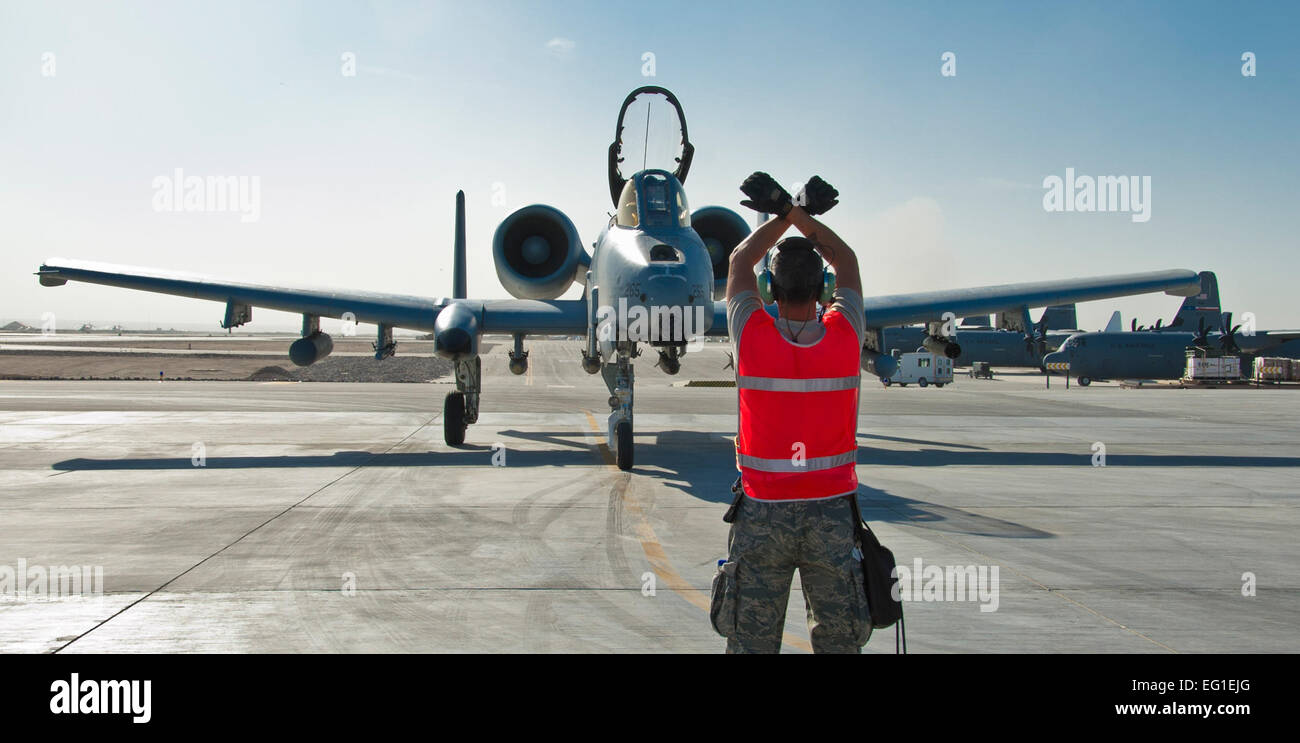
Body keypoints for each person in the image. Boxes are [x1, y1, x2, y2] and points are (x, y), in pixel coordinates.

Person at [715, 171, 869, 654]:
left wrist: (782, 213)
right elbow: (847, 261)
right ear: (824, 290)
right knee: (840, 641)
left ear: (770, 289)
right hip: (831, 516)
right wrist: (799, 213)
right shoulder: (846, 337)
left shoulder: (752, 338)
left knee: (752, 643)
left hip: (763, 517)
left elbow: (740, 260)